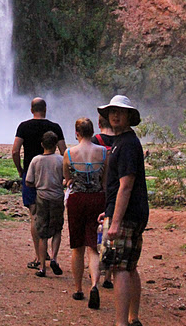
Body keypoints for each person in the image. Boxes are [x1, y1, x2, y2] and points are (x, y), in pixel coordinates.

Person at [97, 95, 149, 326]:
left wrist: (115, 221)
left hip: (126, 215)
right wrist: (108, 211)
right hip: (129, 212)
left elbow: (126, 185)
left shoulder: (126, 144)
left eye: (120, 111)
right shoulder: (123, 141)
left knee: (119, 269)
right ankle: (133, 317)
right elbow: (119, 186)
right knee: (130, 266)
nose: (115, 115)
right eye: (112, 111)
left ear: (129, 116)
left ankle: (121, 322)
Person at [12, 97, 66, 269]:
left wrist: (21, 170)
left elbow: (15, 150)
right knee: (54, 217)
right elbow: (65, 153)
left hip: (32, 175)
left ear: (31, 109)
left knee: (35, 216)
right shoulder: (55, 127)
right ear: (45, 109)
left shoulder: (24, 126)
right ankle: (52, 255)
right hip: (53, 178)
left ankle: (38, 256)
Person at [64, 117, 108, 308]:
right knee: (93, 246)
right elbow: (105, 182)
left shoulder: (69, 153)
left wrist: (71, 181)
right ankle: (94, 285)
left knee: (77, 246)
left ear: (77, 133)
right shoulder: (104, 153)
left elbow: (67, 179)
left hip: (77, 200)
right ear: (92, 132)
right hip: (97, 199)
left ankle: (77, 288)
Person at [25, 131, 65, 277]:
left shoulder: (36, 160)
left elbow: (28, 181)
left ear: (42, 144)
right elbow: (67, 177)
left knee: (42, 233)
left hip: (41, 197)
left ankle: (42, 266)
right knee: (57, 230)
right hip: (57, 197)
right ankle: (54, 258)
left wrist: (38, 184)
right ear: (56, 145)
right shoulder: (61, 160)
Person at [92, 112, 115, 289]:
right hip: (116, 192)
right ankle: (108, 276)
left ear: (99, 124)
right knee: (113, 235)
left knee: (96, 233)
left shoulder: (95, 140)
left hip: (99, 190)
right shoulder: (120, 141)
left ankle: (95, 276)